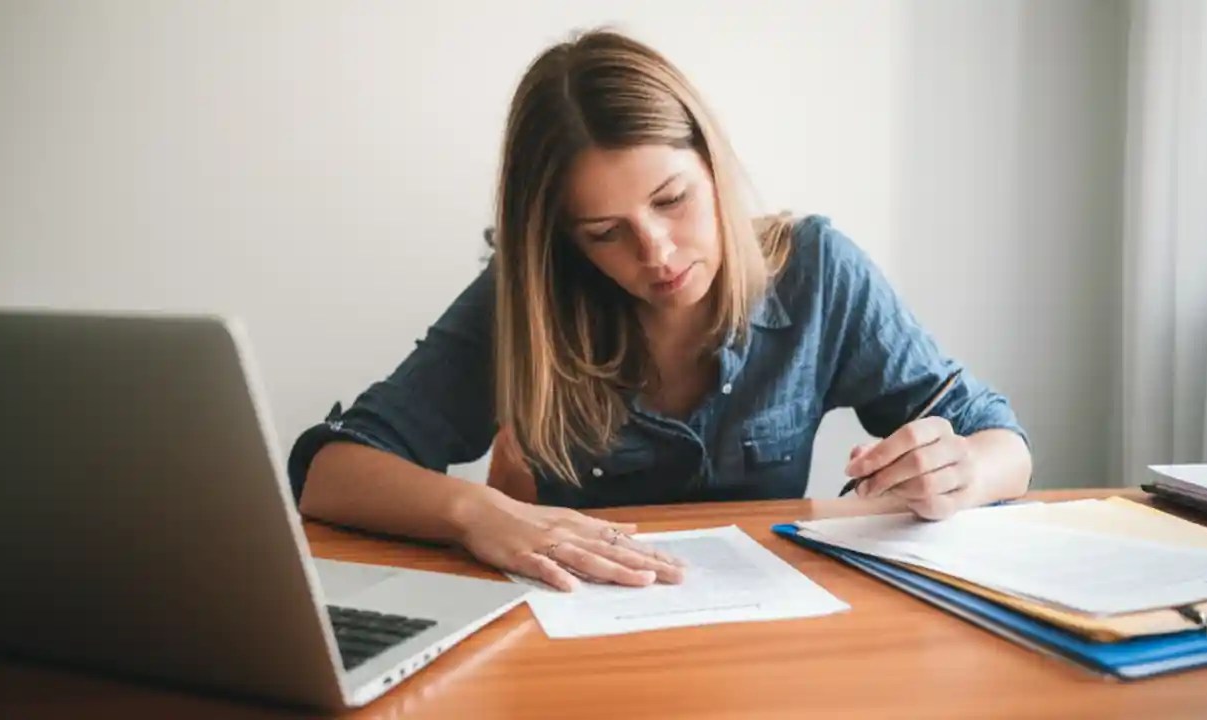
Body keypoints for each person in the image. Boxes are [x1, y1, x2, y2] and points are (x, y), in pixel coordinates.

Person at [288, 28, 1033, 592]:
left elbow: (1005, 443)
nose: (657, 253)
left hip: (767, 643)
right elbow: (330, 470)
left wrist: (961, 466)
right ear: (563, 240)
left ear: (712, 164)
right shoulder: (531, 297)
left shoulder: (815, 269)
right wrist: (479, 514)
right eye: (604, 233)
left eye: (672, 200)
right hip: (583, 638)